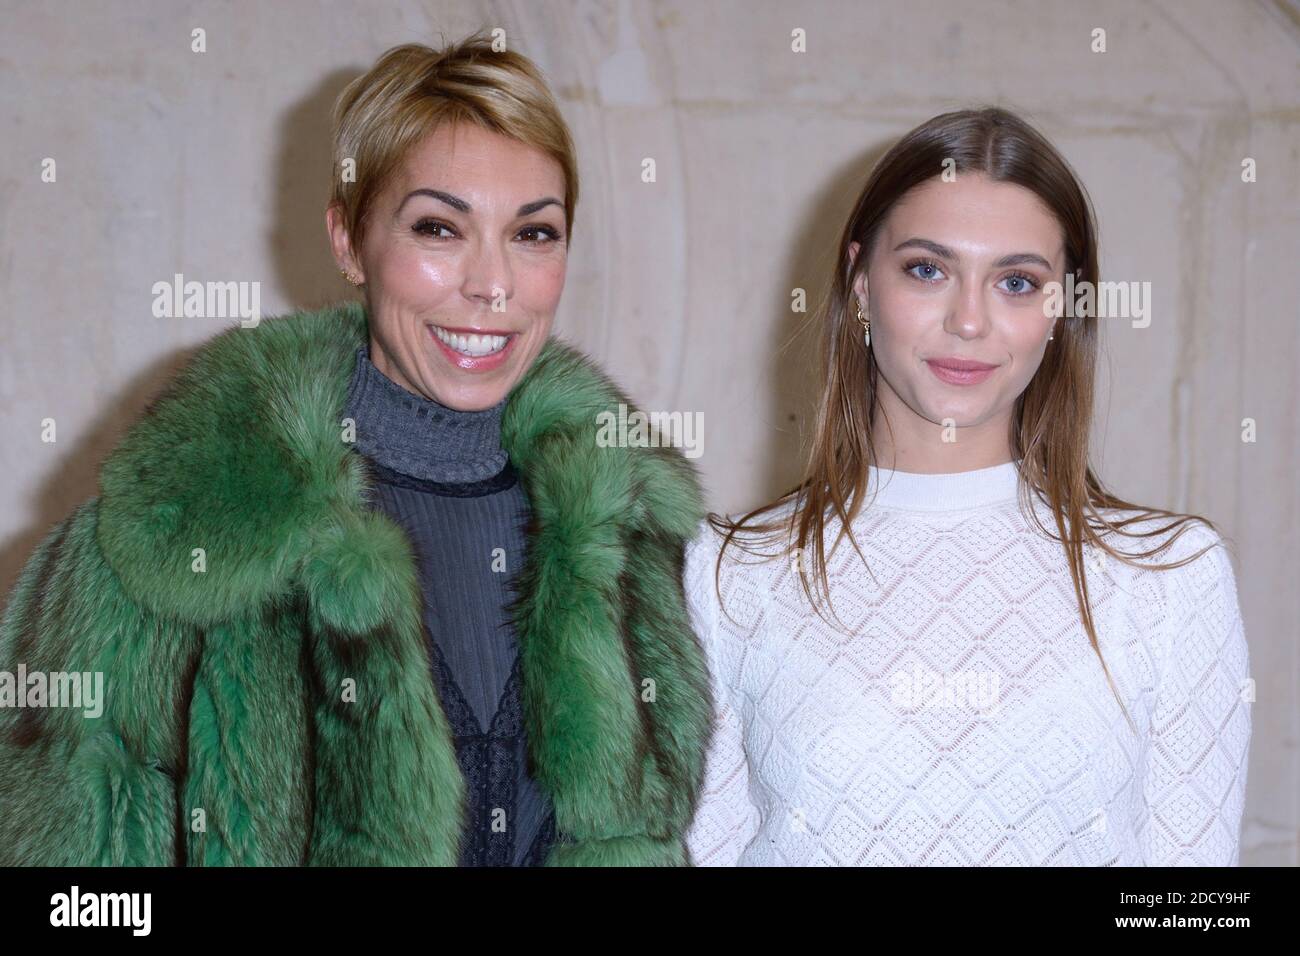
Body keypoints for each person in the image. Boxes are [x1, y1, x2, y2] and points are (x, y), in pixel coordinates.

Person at [0, 32, 712, 867]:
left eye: (534, 234)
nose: (493, 284)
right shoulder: (175, 537)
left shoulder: (630, 536)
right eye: (440, 228)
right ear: (348, 241)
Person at [683, 107, 1251, 866]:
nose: (970, 320)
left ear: (1061, 310)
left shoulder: (1172, 577)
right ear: (859, 283)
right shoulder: (726, 573)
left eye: (1017, 282)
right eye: (928, 269)